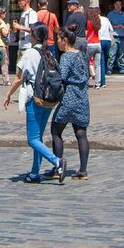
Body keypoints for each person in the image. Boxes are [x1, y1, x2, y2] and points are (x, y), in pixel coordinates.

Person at [4, 22, 62, 183]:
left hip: (34, 97)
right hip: (48, 99)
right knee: (38, 138)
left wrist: (8, 94)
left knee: (33, 139)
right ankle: (35, 172)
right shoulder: (48, 52)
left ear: (34, 36)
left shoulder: (29, 53)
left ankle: (57, 161)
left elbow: (18, 78)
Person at [50, 27, 90, 180]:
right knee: (80, 133)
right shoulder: (81, 54)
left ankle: (58, 167)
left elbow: (62, 76)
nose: (57, 43)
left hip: (70, 96)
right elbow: (86, 73)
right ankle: (83, 170)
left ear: (64, 41)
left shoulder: (66, 57)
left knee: (56, 130)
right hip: (82, 96)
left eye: (59, 40)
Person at [107, 0, 124, 74]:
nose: (118, 6)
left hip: (123, 36)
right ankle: (109, 69)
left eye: (120, 4)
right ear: (114, 5)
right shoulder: (110, 14)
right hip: (114, 36)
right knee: (112, 53)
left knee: (121, 53)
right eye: (116, 4)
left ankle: (122, 68)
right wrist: (117, 26)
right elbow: (108, 26)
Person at [12, 0, 37, 65]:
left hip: (28, 46)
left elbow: (33, 29)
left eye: (21, 1)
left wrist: (20, 27)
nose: (19, 2)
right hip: (21, 45)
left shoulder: (32, 13)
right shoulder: (23, 13)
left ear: (27, 2)